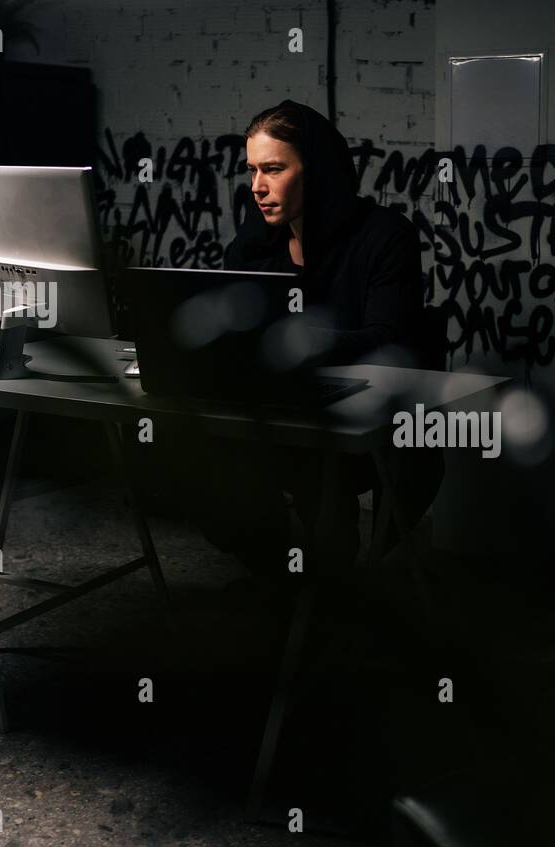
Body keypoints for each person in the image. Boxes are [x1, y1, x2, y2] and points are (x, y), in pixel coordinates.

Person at [185, 99, 444, 582]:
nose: (258, 187)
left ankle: (322, 591)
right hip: (274, 408)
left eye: (274, 169)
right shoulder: (254, 241)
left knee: (309, 464)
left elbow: (386, 337)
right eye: (252, 170)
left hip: (362, 418)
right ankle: (283, 573)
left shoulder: (385, 235)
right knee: (202, 452)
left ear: (319, 171)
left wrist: (292, 343)